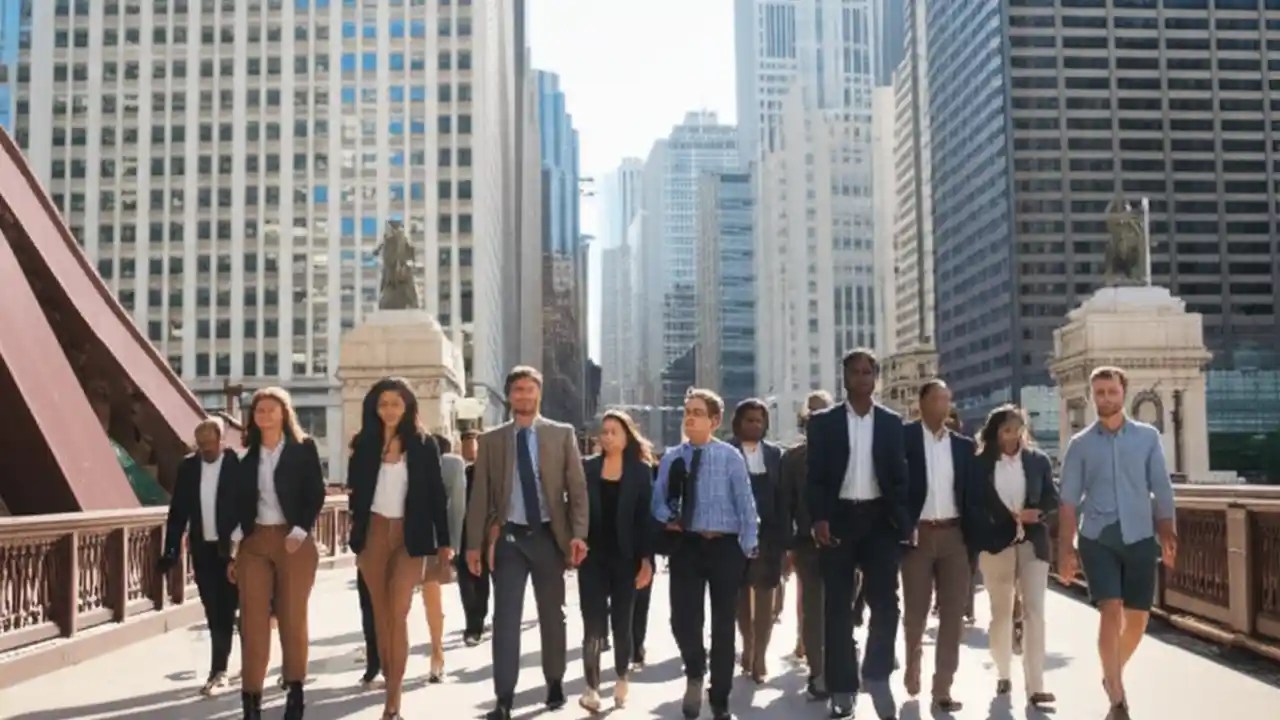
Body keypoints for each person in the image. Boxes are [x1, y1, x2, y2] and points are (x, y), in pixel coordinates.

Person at [464, 366, 589, 720]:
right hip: (509, 539)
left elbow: (577, 491)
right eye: (517, 390)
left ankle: (554, 681)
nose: (523, 395)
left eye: (529, 389)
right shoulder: (492, 440)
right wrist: (473, 545)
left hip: (550, 536)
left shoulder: (561, 435)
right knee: (505, 620)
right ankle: (503, 698)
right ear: (509, 395)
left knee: (553, 616)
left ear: (539, 393)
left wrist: (578, 534)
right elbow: (480, 497)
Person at [1058, 366, 1176, 719]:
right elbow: (1067, 500)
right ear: (1092, 395)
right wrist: (1066, 548)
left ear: (1124, 392)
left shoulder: (1148, 437)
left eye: (1111, 391)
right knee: (1110, 609)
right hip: (1098, 537)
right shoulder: (1079, 446)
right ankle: (1118, 697)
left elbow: (1161, 486)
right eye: (1099, 392)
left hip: (1140, 535)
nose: (1105, 398)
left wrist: (1168, 530)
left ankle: (1111, 674)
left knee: (1138, 620)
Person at [807, 348, 910, 720]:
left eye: (869, 372)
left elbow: (900, 478)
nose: (863, 377)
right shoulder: (823, 423)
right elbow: (815, 477)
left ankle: (877, 673)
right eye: (856, 371)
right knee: (837, 607)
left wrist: (905, 522)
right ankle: (843, 688)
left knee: (886, 603)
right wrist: (818, 518)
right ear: (845, 377)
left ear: (876, 378)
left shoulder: (891, 423)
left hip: (880, 521)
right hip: (837, 520)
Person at [347, 378, 453, 719]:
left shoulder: (423, 445)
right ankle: (390, 686)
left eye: (395, 403)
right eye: (383, 404)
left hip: (411, 538)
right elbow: (356, 495)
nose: (389, 409)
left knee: (399, 612)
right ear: (374, 408)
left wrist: (445, 544)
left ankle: (393, 701)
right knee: (381, 618)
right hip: (374, 535)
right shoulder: (363, 445)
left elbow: (438, 495)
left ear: (407, 406)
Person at [652, 388, 759, 720]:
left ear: (714, 420)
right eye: (687, 410)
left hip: (725, 547)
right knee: (683, 619)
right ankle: (695, 672)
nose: (690, 416)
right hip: (687, 546)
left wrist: (746, 549)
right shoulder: (672, 457)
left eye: (697, 412)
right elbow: (657, 503)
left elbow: (746, 505)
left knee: (723, 624)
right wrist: (668, 517)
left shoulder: (730, 457)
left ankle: (720, 695)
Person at [227, 387, 326, 720]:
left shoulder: (303, 449)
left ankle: (295, 693)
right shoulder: (246, 456)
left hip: (292, 540)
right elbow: (237, 504)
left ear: (284, 413)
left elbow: (315, 493)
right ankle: (251, 701)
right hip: (254, 543)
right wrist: (234, 548)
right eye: (259, 411)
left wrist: (300, 531)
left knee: (291, 618)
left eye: (271, 409)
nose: (264, 415)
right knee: (252, 623)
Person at [967, 403, 1057, 707]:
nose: (1013, 436)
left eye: (1018, 429)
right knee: (1001, 613)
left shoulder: (1038, 460)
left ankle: (1036, 685)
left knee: (1035, 611)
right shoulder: (979, 464)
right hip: (996, 544)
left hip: (1033, 542)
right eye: (1007, 429)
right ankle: (1004, 672)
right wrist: (991, 525)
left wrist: (1038, 512)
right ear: (995, 432)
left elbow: (1051, 497)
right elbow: (972, 505)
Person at [898, 379, 976, 712]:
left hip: (954, 536)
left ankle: (942, 686)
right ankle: (912, 664)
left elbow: (971, 493)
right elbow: (893, 486)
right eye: (936, 399)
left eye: (947, 399)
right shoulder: (904, 438)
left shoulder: (963, 445)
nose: (943, 405)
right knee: (915, 613)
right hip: (916, 535)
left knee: (953, 613)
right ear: (922, 403)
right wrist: (901, 527)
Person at [577, 410, 656, 711]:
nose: (608, 436)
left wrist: (646, 560)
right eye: (604, 431)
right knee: (593, 623)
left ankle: (622, 677)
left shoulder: (640, 471)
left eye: (614, 432)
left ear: (626, 436)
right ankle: (591, 687)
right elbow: (577, 508)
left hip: (627, 559)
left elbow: (644, 519)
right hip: (593, 558)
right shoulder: (587, 468)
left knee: (622, 623)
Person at [158, 417, 240, 696]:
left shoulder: (235, 465)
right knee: (212, 607)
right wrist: (171, 550)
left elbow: (247, 506)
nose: (205, 449)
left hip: (233, 547)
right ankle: (220, 666)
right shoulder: (189, 468)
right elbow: (178, 512)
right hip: (202, 548)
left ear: (221, 440)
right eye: (200, 444)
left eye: (209, 443)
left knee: (227, 607)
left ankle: (221, 668)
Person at [780, 390, 835, 700]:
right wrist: (788, 548)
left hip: (845, 545)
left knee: (840, 609)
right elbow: (785, 505)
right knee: (814, 610)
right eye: (811, 415)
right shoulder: (793, 458)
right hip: (806, 545)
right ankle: (818, 673)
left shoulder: (850, 453)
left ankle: (839, 665)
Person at [728, 398, 786, 684]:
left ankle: (761, 655)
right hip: (735, 537)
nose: (754, 424)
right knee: (741, 598)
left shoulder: (775, 455)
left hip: (770, 537)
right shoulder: (726, 452)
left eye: (759, 420)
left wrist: (786, 542)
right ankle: (748, 645)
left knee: (766, 597)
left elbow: (784, 499)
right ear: (738, 423)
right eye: (749, 419)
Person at [418, 433, 467, 682]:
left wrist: (452, 545)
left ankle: (437, 653)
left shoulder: (450, 465)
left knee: (431, 599)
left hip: (431, 540)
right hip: (398, 538)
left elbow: (457, 507)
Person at [455, 428, 490, 646]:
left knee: (481, 580)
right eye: (466, 442)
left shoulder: (484, 472)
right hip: (460, 534)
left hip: (482, 534)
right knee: (465, 581)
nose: (469, 447)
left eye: (473, 442)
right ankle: (472, 624)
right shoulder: (455, 470)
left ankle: (480, 618)